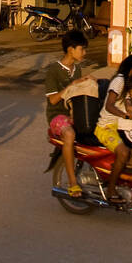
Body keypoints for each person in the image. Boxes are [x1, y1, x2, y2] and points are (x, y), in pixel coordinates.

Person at [95, 51, 132, 204]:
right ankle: (110, 188)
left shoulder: (131, 82)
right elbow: (109, 106)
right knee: (123, 152)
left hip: (120, 125)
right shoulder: (120, 81)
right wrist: (125, 115)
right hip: (106, 127)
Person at [44, 30, 88, 199]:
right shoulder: (54, 70)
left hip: (73, 113)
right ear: (71, 50)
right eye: (82, 49)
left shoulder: (77, 69)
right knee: (69, 134)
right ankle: (72, 181)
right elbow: (54, 100)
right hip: (57, 116)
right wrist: (72, 85)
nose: (84, 53)